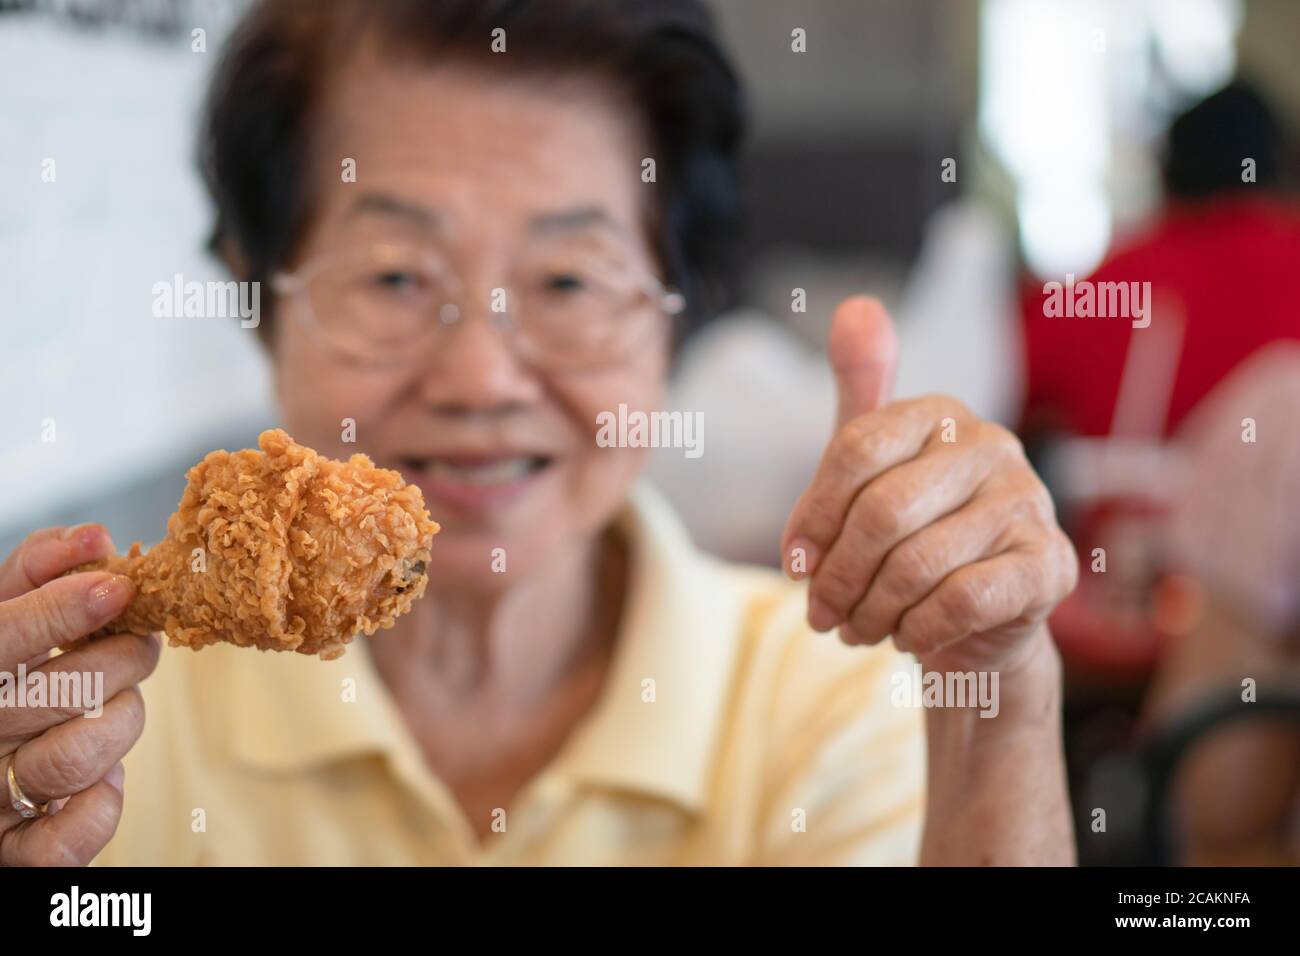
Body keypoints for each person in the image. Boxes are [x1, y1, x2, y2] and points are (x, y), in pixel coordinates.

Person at [0, 0, 1076, 866]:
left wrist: (997, 703)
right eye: (394, 276)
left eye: (567, 278)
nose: (481, 376)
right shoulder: (90, 742)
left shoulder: (831, 704)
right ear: (261, 295)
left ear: (675, 312)